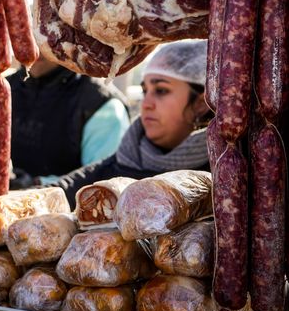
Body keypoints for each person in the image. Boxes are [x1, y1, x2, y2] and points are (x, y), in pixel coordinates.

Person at [52, 40, 212, 207]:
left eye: (161, 91)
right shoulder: (126, 158)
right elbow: (63, 190)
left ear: (201, 103)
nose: (146, 104)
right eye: (145, 91)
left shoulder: (223, 170)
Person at [7, 54, 131, 189]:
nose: (35, 44)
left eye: (45, 33)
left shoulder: (103, 106)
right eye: (27, 33)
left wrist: (37, 184)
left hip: (65, 209)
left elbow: (103, 184)